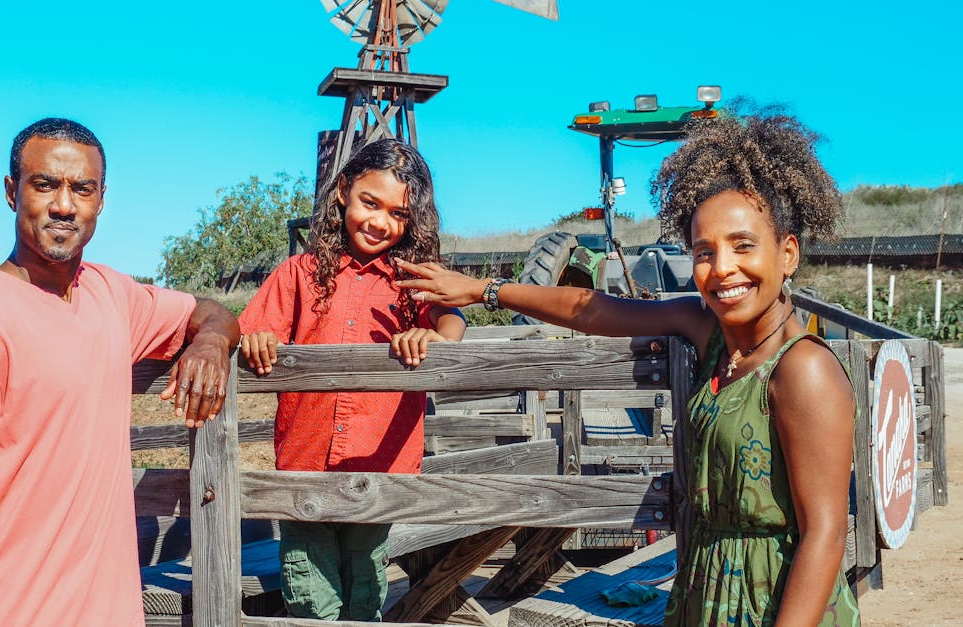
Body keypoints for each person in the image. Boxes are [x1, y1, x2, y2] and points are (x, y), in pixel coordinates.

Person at [394, 111, 860, 626]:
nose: (722, 267)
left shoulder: (803, 369)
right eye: (704, 251)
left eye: (743, 245)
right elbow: (587, 308)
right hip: (706, 590)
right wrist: (483, 290)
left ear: (788, 253)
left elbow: (826, 534)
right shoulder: (709, 334)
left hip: (778, 601)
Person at [0, 118, 240, 627]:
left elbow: (213, 311)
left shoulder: (111, 296)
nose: (64, 204)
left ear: (101, 199)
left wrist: (213, 342)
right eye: (44, 184)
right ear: (10, 191)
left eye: (81, 188)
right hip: (7, 611)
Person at [238, 138, 466, 620]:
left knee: (366, 593)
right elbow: (255, 331)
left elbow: (451, 321)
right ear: (342, 191)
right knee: (310, 597)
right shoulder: (299, 273)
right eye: (370, 202)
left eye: (399, 214)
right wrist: (256, 341)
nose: (381, 222)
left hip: (377, 469)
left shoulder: (412, 282)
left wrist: (435, 337)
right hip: (304, 470)